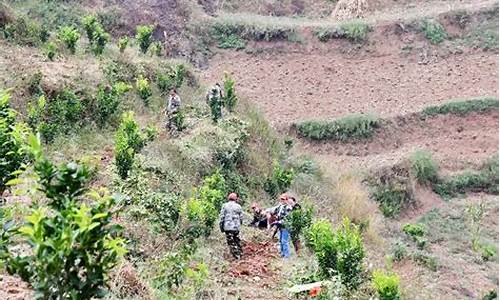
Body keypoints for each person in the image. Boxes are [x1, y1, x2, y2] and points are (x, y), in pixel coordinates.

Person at [219, 192, 243, 260]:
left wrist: (221, 227)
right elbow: (241, 218)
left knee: (231, 242)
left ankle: (236, 257)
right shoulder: (238, 206)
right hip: (236, 227)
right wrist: (239, 225)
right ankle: (241, 254)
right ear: (236, 199)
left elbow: (222, 217)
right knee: (237, 240)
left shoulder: (225, 206)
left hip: (228, 227)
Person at [269, 193, 293, 258]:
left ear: (287, 200)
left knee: (284, 241)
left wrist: (278, 222)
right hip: (280, 226)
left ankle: (286, 256)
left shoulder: (288, 208)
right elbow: (273, 210)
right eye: (281, 199)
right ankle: (282, 254)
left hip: (286, 226)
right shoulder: (280, 206)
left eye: (283, 199)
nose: (282, 200)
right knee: (280, 240)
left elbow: (287, 219)